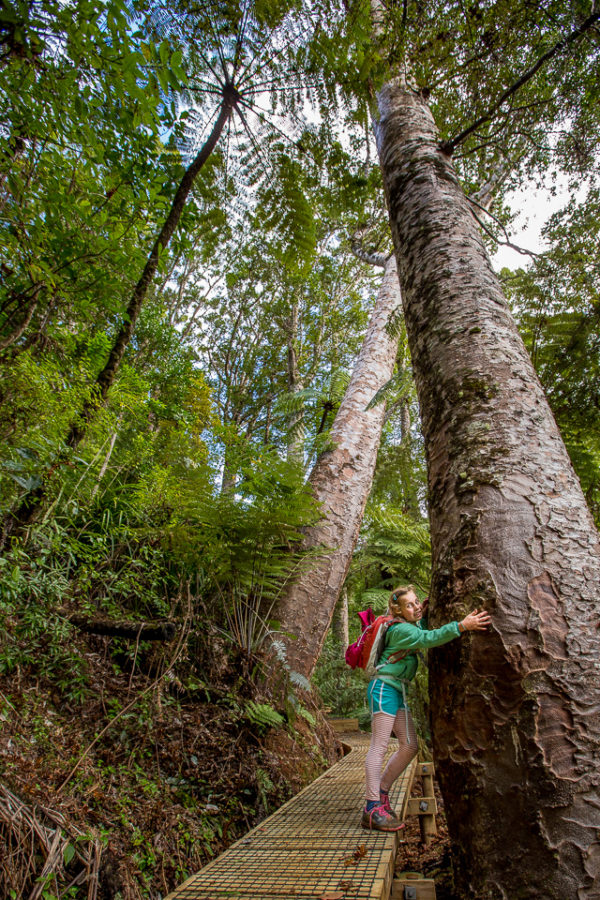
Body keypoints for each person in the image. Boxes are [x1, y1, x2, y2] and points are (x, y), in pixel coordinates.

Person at [362, 585, 491, 832]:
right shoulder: (400, 630)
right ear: (397, 610)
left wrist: (425, 612)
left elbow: (420, 631)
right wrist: (461, 626)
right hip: (384, 690)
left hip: (397, 691)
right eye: (409, 605)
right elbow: (426, 639)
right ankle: (371, 808)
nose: (415, 607)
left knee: (410, 745)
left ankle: (381, 792)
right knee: (378, 746)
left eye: (416, 602)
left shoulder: (408, 625)